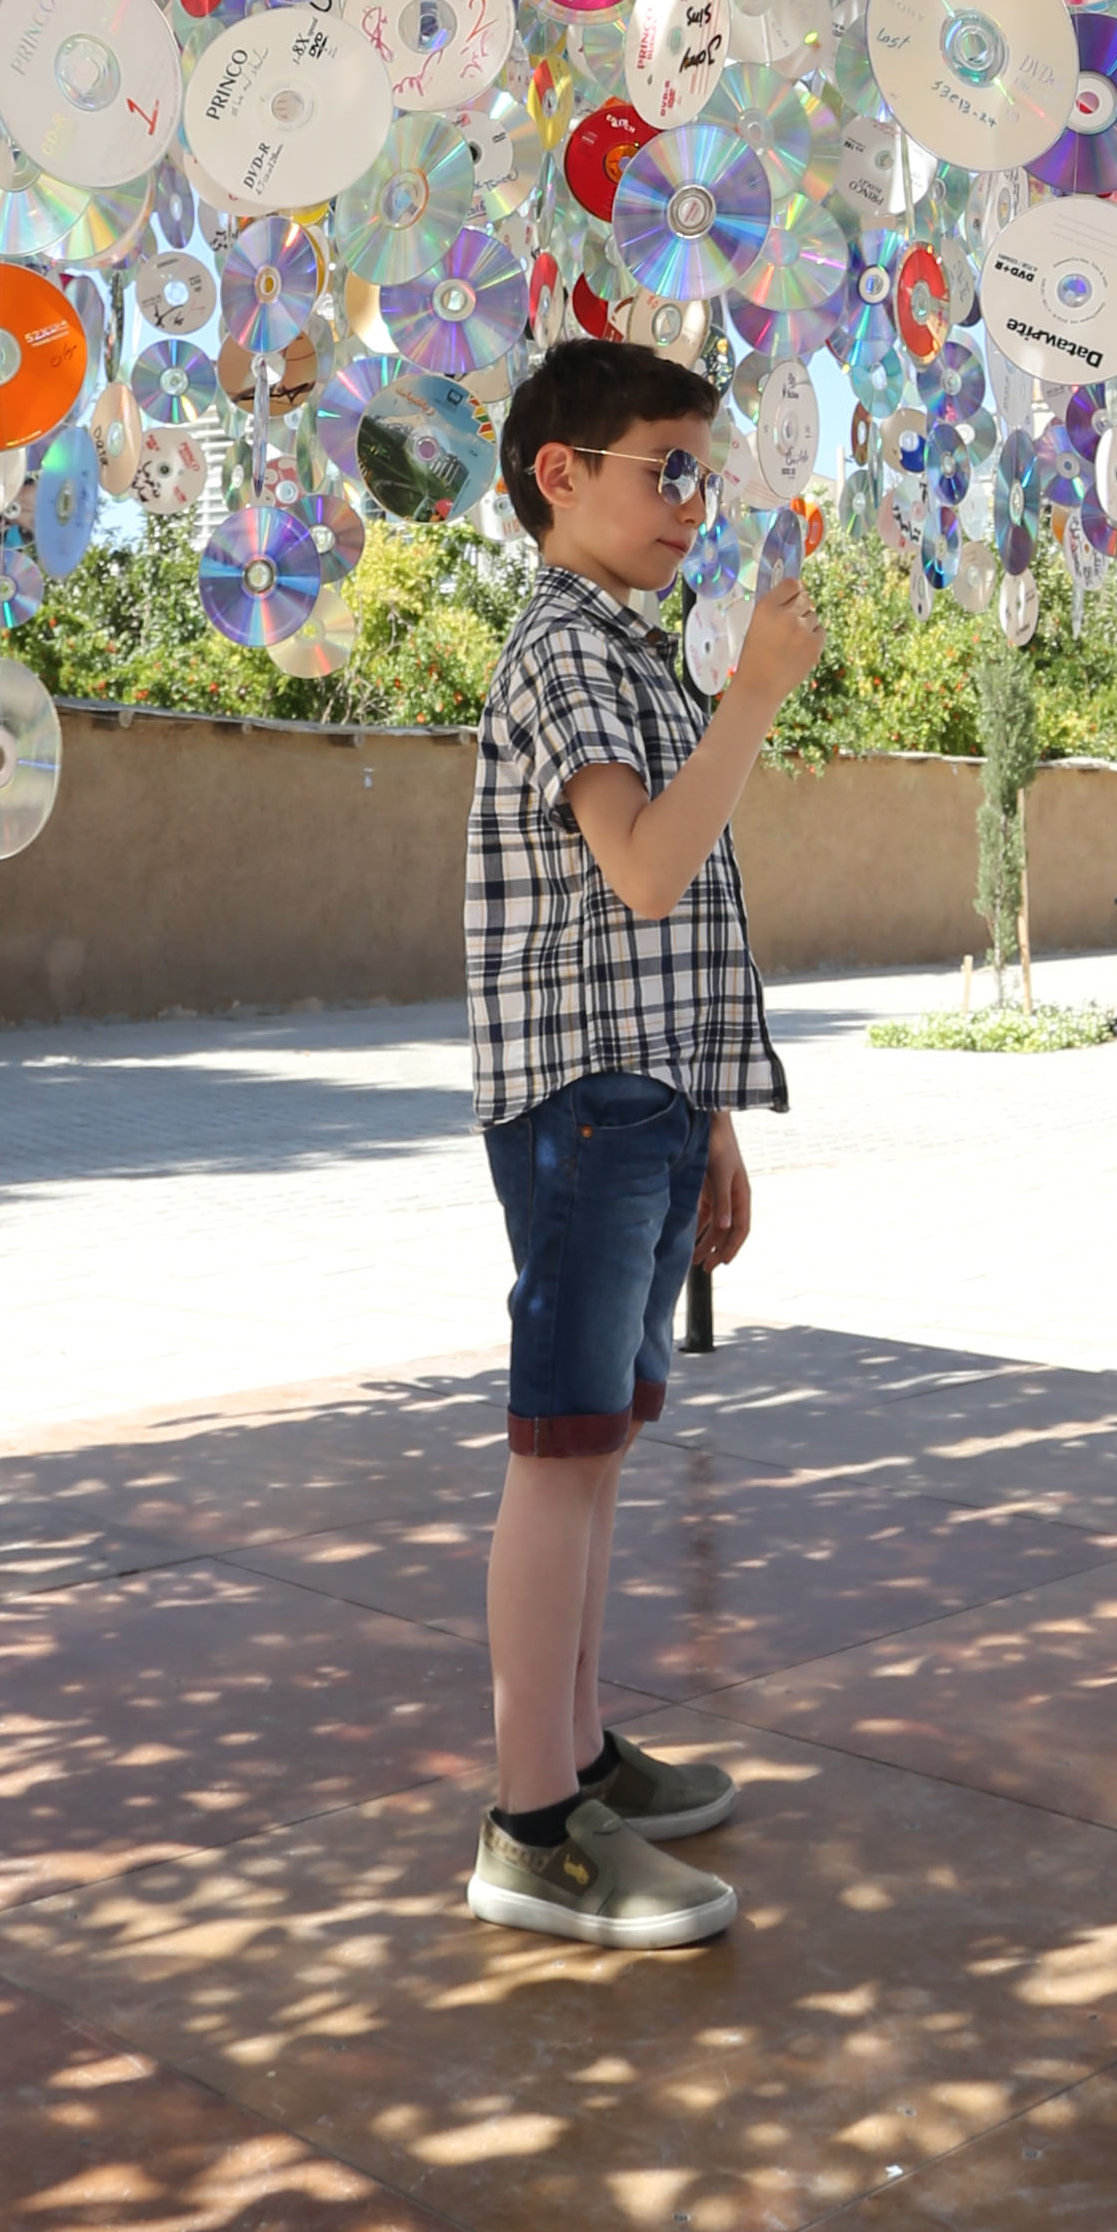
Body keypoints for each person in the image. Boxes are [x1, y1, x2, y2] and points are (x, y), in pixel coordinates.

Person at [460, 333, 822, 1947]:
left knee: (596, 1456)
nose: (694, 502)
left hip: (650, 1095)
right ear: (563, 476)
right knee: (561, 1457)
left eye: (702, 472)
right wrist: (750, 692)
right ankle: (529, 1828)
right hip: (587, 1100)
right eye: (666, 469)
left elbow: (684, 913)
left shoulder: (628, 643)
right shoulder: (563, 650)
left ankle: (578, 1755)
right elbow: (652, 870)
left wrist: (716, 1115)